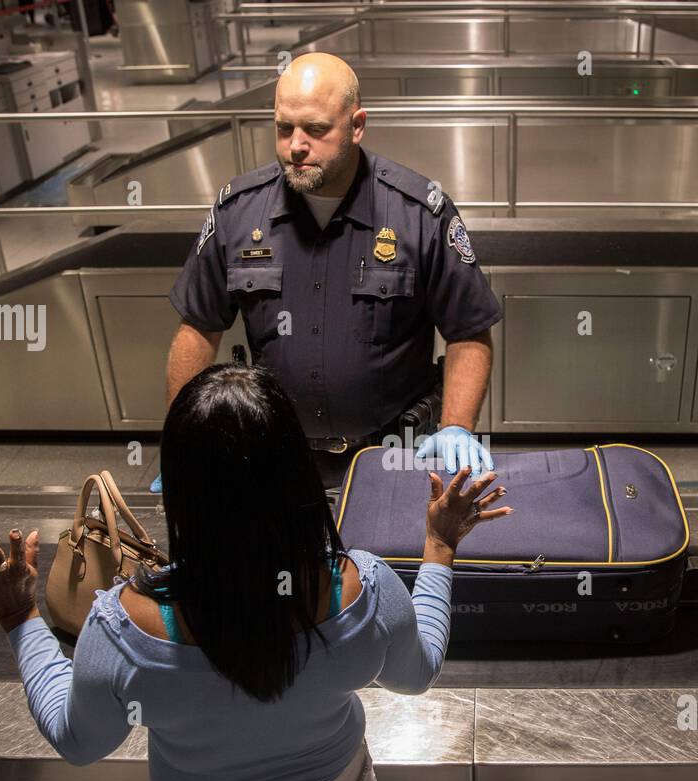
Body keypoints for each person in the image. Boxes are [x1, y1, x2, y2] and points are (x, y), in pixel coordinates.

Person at [0, 364, 513, 781]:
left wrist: (19, 618)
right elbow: (419, 673)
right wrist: (439, 548)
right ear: (300, 475)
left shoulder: (122, 629)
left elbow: (78, 741)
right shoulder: (362, 588)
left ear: (180, 491)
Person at [154, 51, 503, 494]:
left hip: (392, 455)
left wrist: (457, 426)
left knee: (388, 564)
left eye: (316, 130)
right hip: (273, 454)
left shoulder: (418, 212)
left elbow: (469, 329)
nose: (296, 145)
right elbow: (198, 329)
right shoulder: (238, 213)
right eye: (284, 128)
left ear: (356, 126)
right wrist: (179, 441)